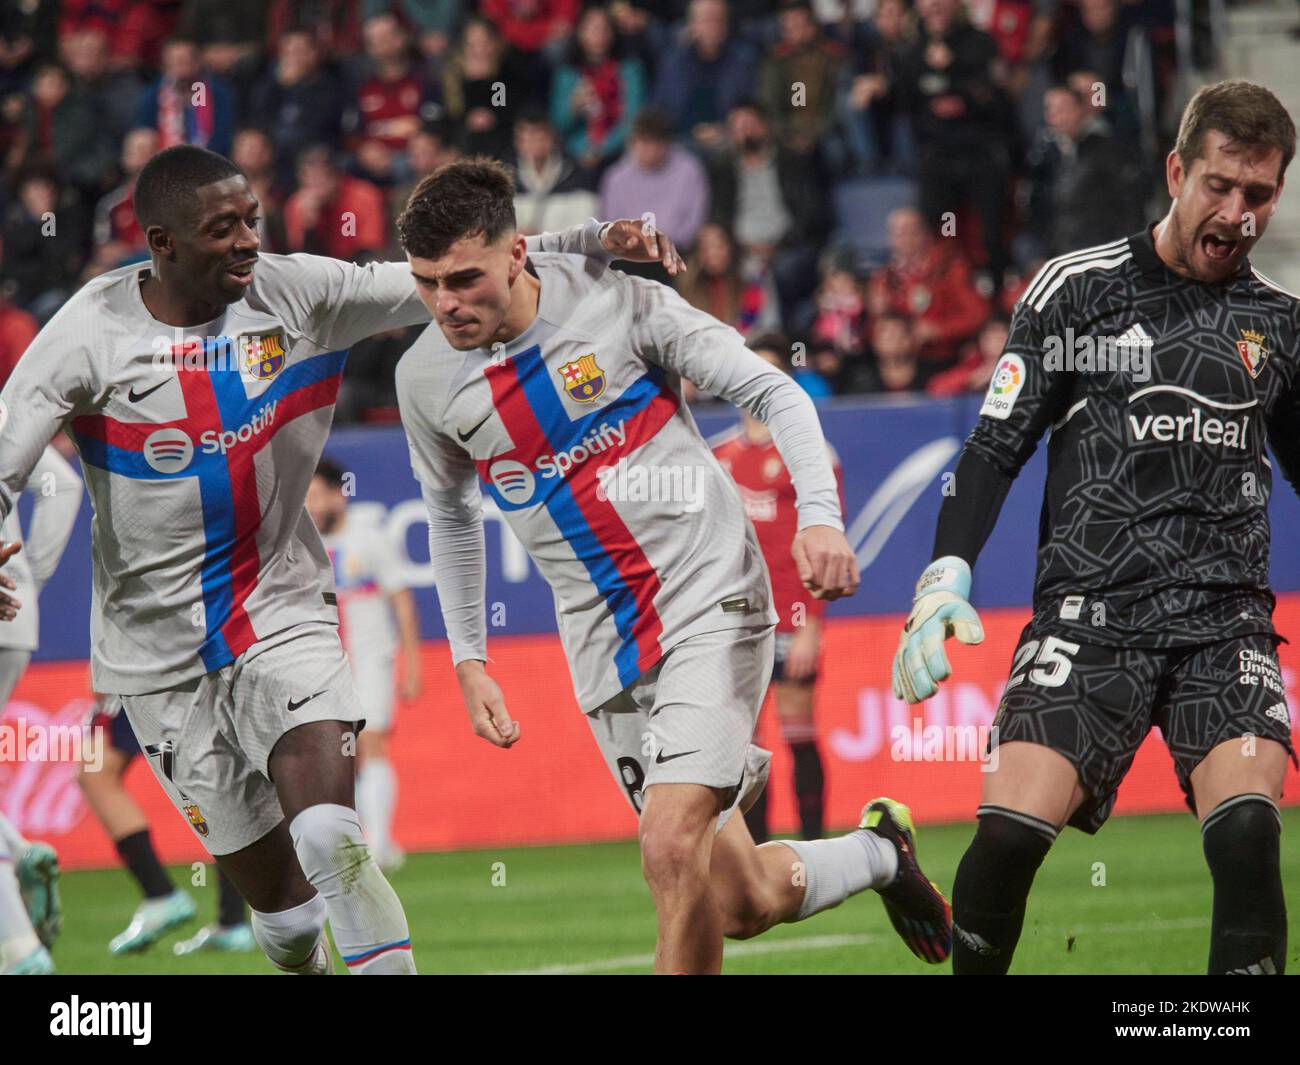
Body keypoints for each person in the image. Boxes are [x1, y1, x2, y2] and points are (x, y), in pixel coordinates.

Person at [0, 142, 678, 975]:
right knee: (283, 925)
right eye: (224, 228)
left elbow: (443, 271)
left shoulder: (297, 293)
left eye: (252, 217)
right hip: (157, 659)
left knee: (330, 833)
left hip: (283, 611)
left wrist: (598, 236)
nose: (250, 239)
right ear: (161, 242)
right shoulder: (87, 335)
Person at [394, 157, 951, 975]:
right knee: (741, 900)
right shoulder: (424, 379)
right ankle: (880, 853)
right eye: (426, 283)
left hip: (710, 594)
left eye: (464, 278)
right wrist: (470, 657)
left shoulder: (619, 300)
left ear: (516, 255)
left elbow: (777, 393)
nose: (445, 303)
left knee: (668, 839)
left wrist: (822, 517)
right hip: (604, 647)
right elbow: (450, 514)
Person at [893, 80, 1297, 976]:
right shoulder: (1077, 292)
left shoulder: (1279, 322)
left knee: (1247, 840)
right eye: (1219, 187)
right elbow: (995, 448)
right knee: (1004, 841)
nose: (1236, 214)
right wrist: (944, 573)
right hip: (1090, 615)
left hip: (1223, 623)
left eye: (1260, 195)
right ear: (1176, 171)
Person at [711, 337, 844, 844]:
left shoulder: (809, 454)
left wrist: (813, 626)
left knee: (797, 730)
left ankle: (813, 849)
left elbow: (829, 545)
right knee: (744, 745)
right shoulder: (718, 454)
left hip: (791, 614)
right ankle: (759, 856)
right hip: (734, 618)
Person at [306, 459, 422, 870]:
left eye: (318, 495)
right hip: (323, 665)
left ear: (341, 493)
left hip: (371, 658)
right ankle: (355, 840)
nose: (312, 505)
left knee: (372, 742)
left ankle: (380, 842)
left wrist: (412, 663)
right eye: (306, 498)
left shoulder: (370, 539)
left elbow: (401, 598)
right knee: (339, 753)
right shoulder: (303, 547)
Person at [78, 696, 256, 956]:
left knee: (96, 774)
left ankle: (161, 895)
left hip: (145, 673)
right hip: (190, 671)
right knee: (217, 777)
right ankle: (233, 920)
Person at [0, 431, 81, 976]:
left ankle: (20, 952)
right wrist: (30, 581)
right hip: (12, 615)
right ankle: (14, 845)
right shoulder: (5, 411)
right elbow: (63, 485)